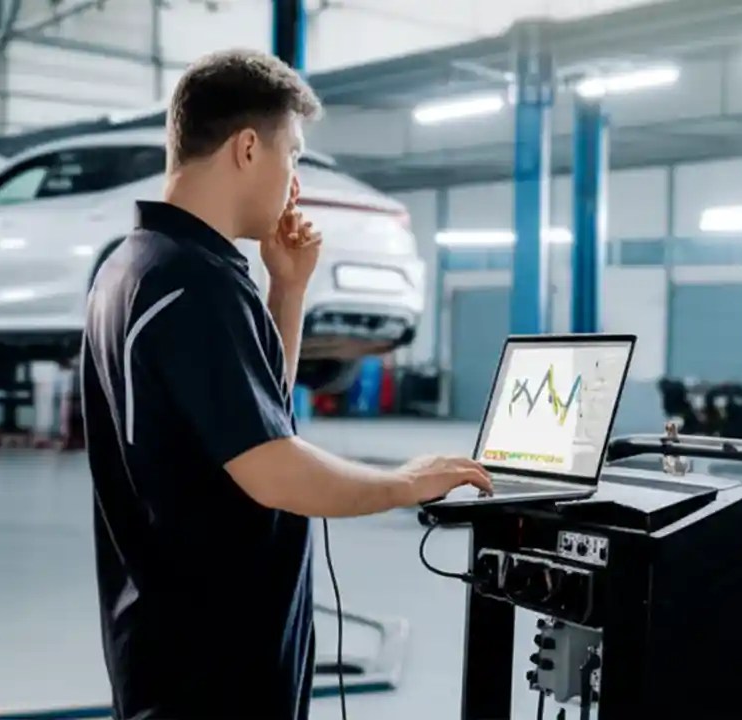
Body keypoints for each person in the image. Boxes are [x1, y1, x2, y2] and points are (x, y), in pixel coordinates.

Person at [81, 48, 493, 720]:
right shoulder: (192, 284)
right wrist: (404, 482)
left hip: (173, 645)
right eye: (293, 154)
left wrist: (289, 290)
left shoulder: (138, 267)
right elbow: (272, 468)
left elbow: (250, 415)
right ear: (248, 148)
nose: (294, 178)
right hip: (212, 666)